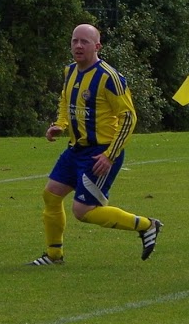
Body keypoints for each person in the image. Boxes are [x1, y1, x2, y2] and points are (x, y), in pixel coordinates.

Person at [27, 23, 160, 267]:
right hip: (76, 149)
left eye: (84, 42)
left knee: (84, 211)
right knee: (51, 195)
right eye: (75, 41)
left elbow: (129, 117)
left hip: (101, 153)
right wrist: (60, 124)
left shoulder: (110, 78)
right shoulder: (70, 72)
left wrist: (110, 155)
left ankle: (147, 225)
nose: (78, 46)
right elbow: (66, 101)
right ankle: (54, 256)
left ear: (97, 46)